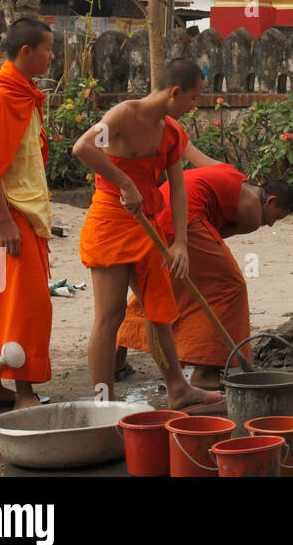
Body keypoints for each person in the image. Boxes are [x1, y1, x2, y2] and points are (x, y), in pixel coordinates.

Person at [74, 57, 221, 410]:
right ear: (175, 92)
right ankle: (103, 402)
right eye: (193, 98)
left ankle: (179, 389)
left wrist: (181, 242)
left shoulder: (170, 132)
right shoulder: (124, 115)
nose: (194, 106)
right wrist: (124, 182)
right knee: (110, 316)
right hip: (111, 220)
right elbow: (83, 148)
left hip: (148, 226)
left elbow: (179, 187)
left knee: (160, 312)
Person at [113, 151, 293, 390]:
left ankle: (116, 359)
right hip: (182, 217)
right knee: (230, 286)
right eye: (277, 217)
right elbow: (213, 240)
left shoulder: (233, 174)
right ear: (269, 201)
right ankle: (207, 371)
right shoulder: (253, 213)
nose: (271, 223)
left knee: (163, 283)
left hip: (156, 209)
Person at [0, 18, 55, 410]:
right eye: (48, 49)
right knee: (26, 305)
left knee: (4, 301)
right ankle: (23, 391)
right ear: (27, 52)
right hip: (10, 215)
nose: (52, 56)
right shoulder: (1, 95)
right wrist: (4, 219)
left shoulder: (23, 92)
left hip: (25, 212)